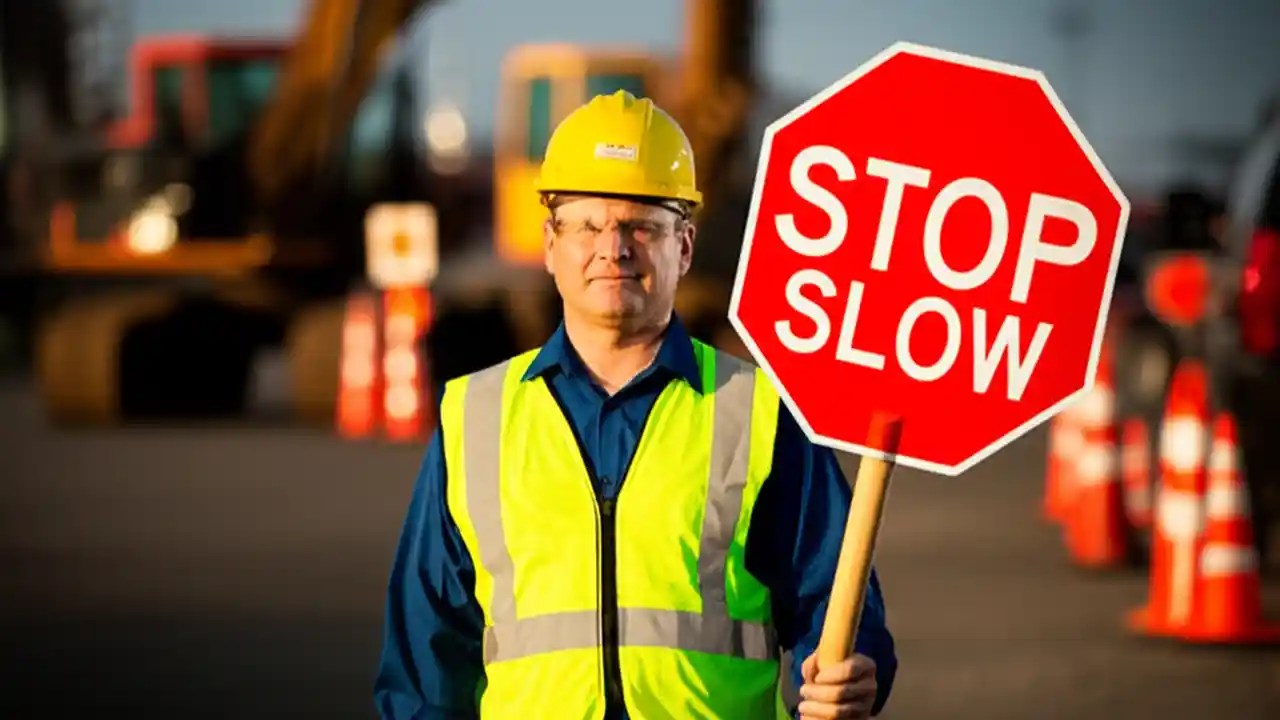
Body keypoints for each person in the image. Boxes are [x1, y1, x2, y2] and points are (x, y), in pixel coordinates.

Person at [374, 90, 897, 719]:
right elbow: (426, 650)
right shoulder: (474, 417)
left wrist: (850, 668)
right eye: (589, 225)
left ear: (685, 246)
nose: (614, 249)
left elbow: (837, 603)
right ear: (550, 243)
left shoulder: (759, 412)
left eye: (642, 227)